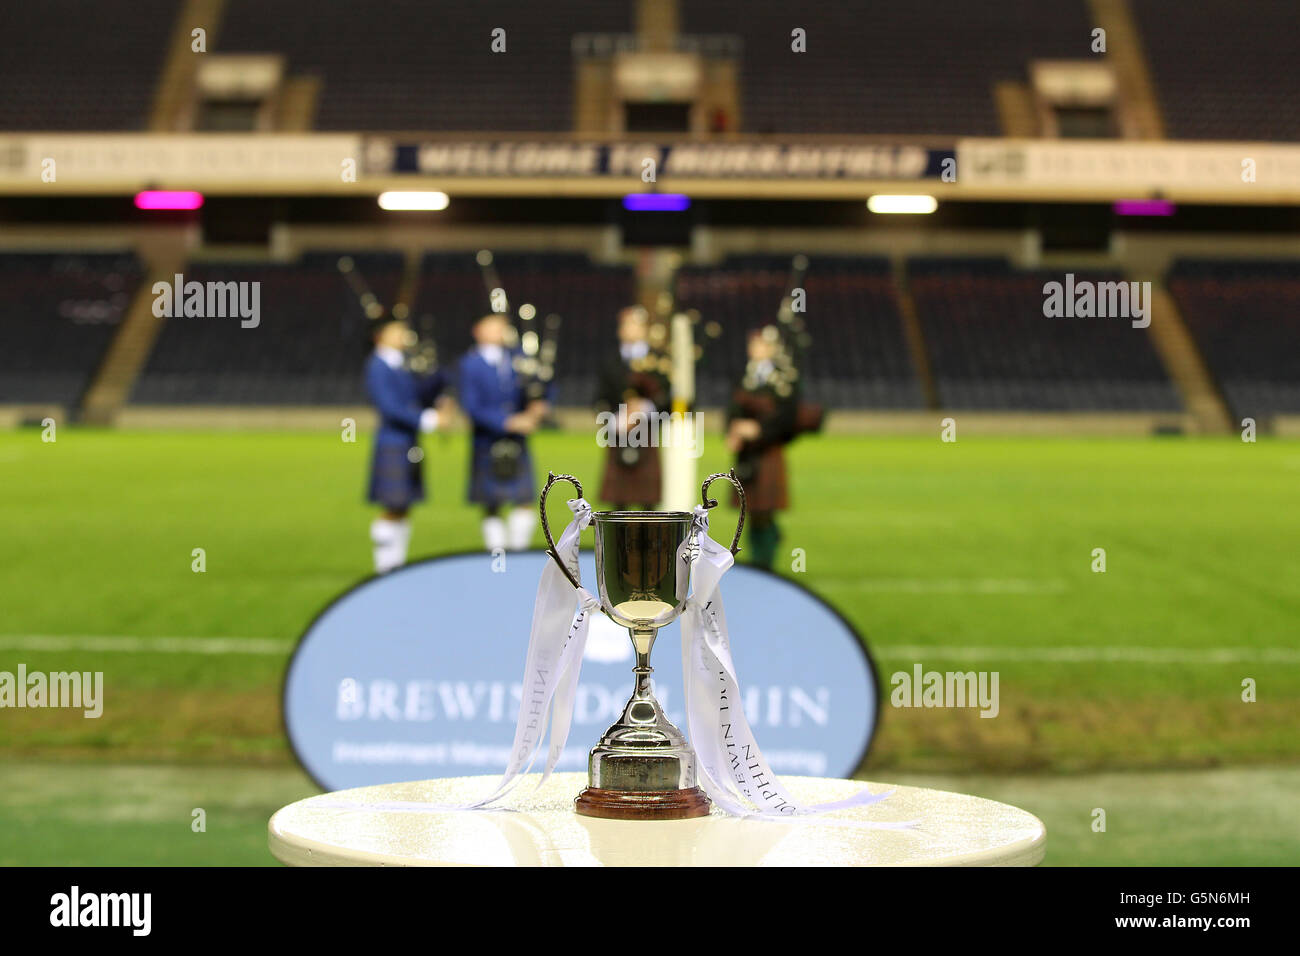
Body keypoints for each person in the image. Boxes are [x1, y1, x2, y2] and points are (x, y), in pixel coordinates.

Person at [458, 312, 550, 551]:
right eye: (494, 326)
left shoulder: (519, 359)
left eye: (503, 326)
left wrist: (538, 406)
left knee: (525, 501)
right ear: (478, 330)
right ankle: (497, 556)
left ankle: (517, 552)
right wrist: (508, 422)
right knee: (491, 503)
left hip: (517, 442)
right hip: (487, 441)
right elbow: (471, 406)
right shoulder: (469, 364)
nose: (501, 330)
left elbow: (542, 385)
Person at [364, 313, 447, 573]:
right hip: (393, 441)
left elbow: (418, 395)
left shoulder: (403, 363)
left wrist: (438, 380)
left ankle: (395, 564)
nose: (404, 336)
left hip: (408, 441)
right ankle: (384, 566)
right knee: (392, 504)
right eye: (397, 331)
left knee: (404, 505)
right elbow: (390, 407)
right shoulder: (377, 365)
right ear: (381, 336)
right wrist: (429, 419)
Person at [726, 326, 798, 570]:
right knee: (750, 510)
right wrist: (733, 430)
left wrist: (759, 430)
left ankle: (765, 561)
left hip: (768, 451)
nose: (755, 349)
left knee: (765, 510)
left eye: (761, 345)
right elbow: (732, 407)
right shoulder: (743, 375)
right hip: (746, 453)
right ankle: (759, 557)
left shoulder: (783, 378)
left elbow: (788, 417)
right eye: (753, 344)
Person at [594, 306, 669, 510]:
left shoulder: (660, 360)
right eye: (627, 324)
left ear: (645, 329)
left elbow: (668, 400)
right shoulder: (610, 361)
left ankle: (649, 542)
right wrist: (616, 420)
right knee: (618, 505)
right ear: (620, 329)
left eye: (637, 325)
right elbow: (599, 399)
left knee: (649, 504)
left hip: (647, 437)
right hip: (618, 436)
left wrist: (645, 408)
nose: (632, 329)